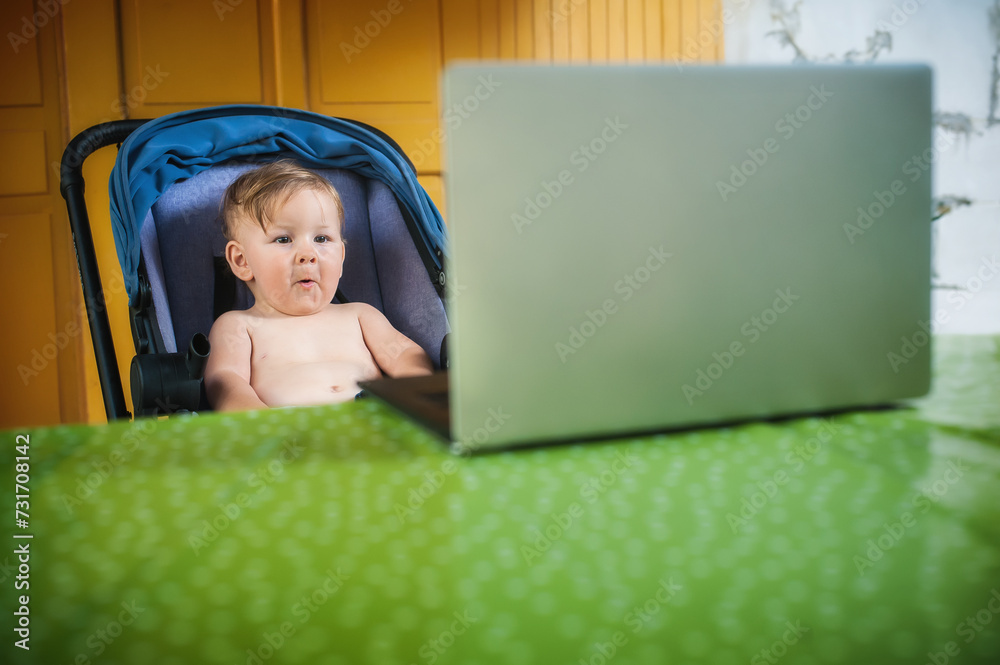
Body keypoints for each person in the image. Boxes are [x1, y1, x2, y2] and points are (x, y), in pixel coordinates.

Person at [205, 160, 433, 411]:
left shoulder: (360, 315)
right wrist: (264, 424)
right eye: (283, 239)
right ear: (242, 260)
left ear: (342, 257)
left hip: (375, 425)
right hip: (291, 438)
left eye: (322, 238)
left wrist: (413, 395)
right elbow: (226, 384)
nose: (308, 254)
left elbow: (405, 355)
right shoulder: (238, 326)